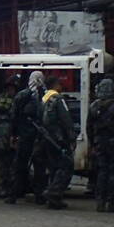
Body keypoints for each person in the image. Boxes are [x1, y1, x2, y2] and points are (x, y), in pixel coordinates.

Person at [88, 78, 114, 213]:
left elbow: (89, 127)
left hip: (99, 143)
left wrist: (92, 143)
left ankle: (100, 202)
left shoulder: (93, 106)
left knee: (102, 172)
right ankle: (113, 202)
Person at [40, 80, 76, 209]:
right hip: (59, 139)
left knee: (54, 168)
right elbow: (66, 119)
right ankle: (54, 193)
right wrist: (71, 137)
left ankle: (54, 199)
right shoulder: (58, 99)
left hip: (47, 139)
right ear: (55, 86)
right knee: (66, 166)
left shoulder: (43, 99)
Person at [9, 71, 43, 203]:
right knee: (37, 166)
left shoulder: (22, 95)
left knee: (20, 166)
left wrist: (13, 134)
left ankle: (14, 195)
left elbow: (14, 116)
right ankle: (38, 195)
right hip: (36, 136)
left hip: (26, 136)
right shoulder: (43, 95)